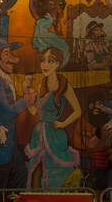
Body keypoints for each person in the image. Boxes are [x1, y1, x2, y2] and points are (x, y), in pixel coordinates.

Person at [23, 41, 82, 189]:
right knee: (36, 168)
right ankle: (37, 199)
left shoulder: (63, 85)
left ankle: (55, 198)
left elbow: (78, 111)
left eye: (50, 61)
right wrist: (28, 97)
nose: (45, 64)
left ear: (58, 64)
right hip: (39, 134)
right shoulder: (41, 85)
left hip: (54, 134)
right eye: (43, 60)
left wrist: (62, 123)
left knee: (55, 169)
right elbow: (34, 111)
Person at [0, 34, 36, 189]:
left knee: (20, 174)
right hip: (1, 140)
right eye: (6, 54)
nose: (12, 58)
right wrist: (26, 101)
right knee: (0, 179)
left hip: (9, 139)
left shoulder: (4, 79)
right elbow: (6, 111)